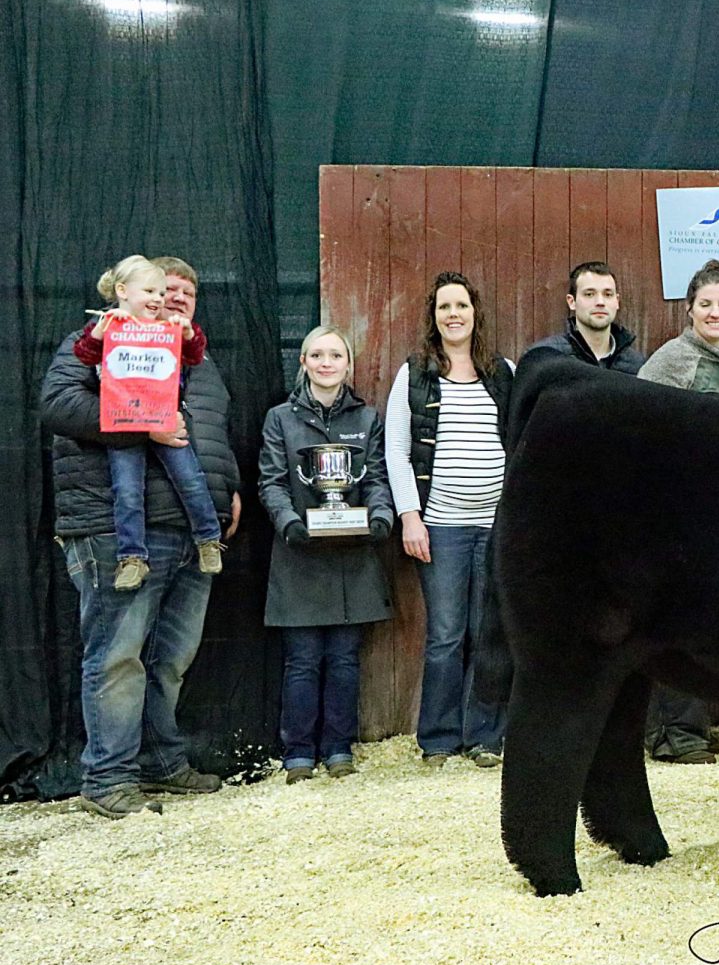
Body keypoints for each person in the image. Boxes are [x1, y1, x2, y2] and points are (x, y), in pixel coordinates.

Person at [41, 254, 237, 818]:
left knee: (170, 658)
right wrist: (144, 421)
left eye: (185, 294)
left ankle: (159, 763)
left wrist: (228, 489)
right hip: (115, 525)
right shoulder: (95, 340)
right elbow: (57, 405)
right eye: (163, 290)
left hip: (190, 530)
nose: (173, 300)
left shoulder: (199, 360)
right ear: (130, 293)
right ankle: (108, 778)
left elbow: (211, 433)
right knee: (118, 657)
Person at [385, 271, 515, 768]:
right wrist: (410, 517)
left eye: (461, 305)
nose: (454, 314)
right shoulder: (415, 374)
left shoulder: (503, 372)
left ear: (475, 313)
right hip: (440, 526)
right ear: (433, 317)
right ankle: (438, 739)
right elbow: (397, 453)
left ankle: (484, 737)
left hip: (494, 526)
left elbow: (520, 443)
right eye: (444, 307)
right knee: (445, 635)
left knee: (488, 634)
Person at [260, 326, 394, 784]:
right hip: (299, 555)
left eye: (335, 355)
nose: (326, 363)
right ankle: (298, 753)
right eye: (316, 354)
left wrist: (381, 516)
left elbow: (376, 478)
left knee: (343, 660)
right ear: (303, 362)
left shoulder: (367, 418)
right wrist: (289, 523)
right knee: (301, 661)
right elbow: (271, 481)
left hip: (352, 559)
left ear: (348, 364)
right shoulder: (280, 418)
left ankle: (339, 749)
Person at [636, 259, 719, 764]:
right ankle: (673, 734)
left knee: (706, 624)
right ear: (688, 309)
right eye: (706, 304)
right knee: (676, 625)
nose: (715, 313)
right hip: (678, 514)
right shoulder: (671, 361)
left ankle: (697, 728)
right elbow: (639, 427)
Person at [73, 255, 224, 591]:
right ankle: (132, 558)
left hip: (164, 417)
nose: (159, 299)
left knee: (191, 480)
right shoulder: (107, 324)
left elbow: (195, 355)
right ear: (123, 291)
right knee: (126, 490)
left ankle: (208, 539)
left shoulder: (167, 329)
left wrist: (189, 333)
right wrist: (99, 332)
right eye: (152, 291)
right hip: (123, 423)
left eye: (161, 293)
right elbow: (83, 354)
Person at [527, 261, 646, 373]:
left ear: (617, 301)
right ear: (572, 302)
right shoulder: (543, 357)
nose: (600, 302)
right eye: (589, 294)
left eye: (608, 294)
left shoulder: (637, 365)